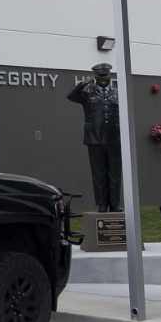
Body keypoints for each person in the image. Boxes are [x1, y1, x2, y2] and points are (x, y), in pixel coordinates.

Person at [68, 62, 123, 212]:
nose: (104, 78)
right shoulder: (87, 93)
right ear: (95, 77)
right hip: (95, 139)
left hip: (114, 138)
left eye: (106, 75)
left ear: (110, 75)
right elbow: (71, 96)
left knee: (115, 173)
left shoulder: (118, 93)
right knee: (99, 174)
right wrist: (82, 84)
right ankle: (102, 204)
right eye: (100, 76)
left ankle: (115, 204)